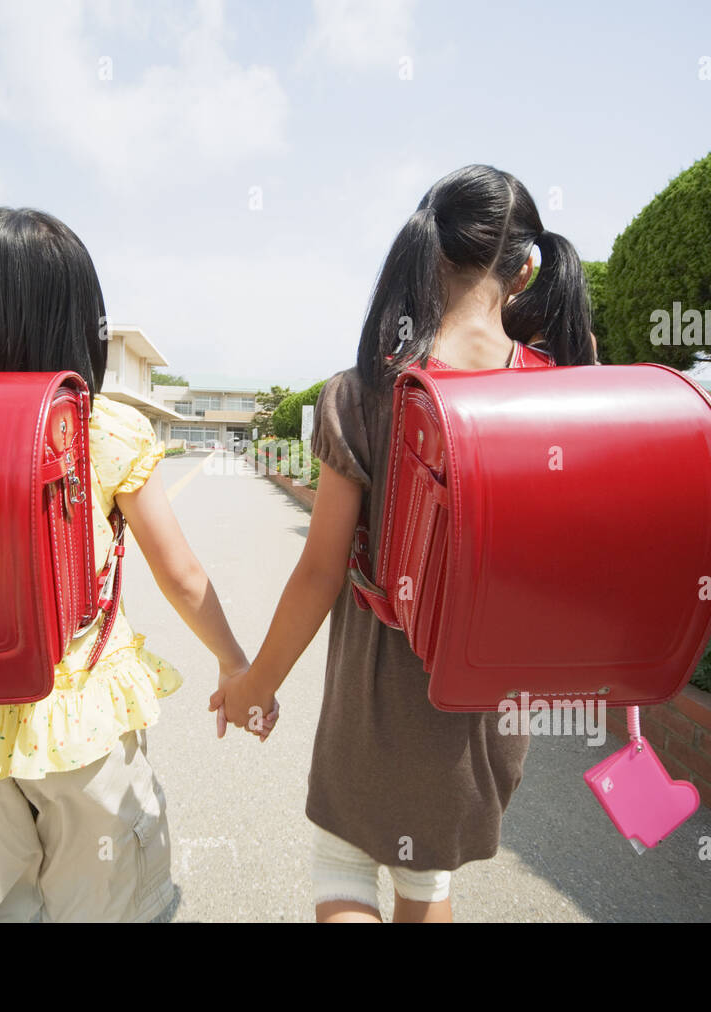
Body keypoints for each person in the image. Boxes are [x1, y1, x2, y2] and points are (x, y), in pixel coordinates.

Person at [0, 207, 273, 922]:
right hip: (79, 714)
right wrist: (235, 664)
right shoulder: (104, 428)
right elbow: (181, 574)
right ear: (80, 318)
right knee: (105, 895)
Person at [211, 164, 597, 922]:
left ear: (426, 254)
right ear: (526, 268)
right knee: (427, 884)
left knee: (344, 867)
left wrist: (257, 684)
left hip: (377, 692)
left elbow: (321, 572)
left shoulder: (364, 392)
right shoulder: (562, 394)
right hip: (487, 700)